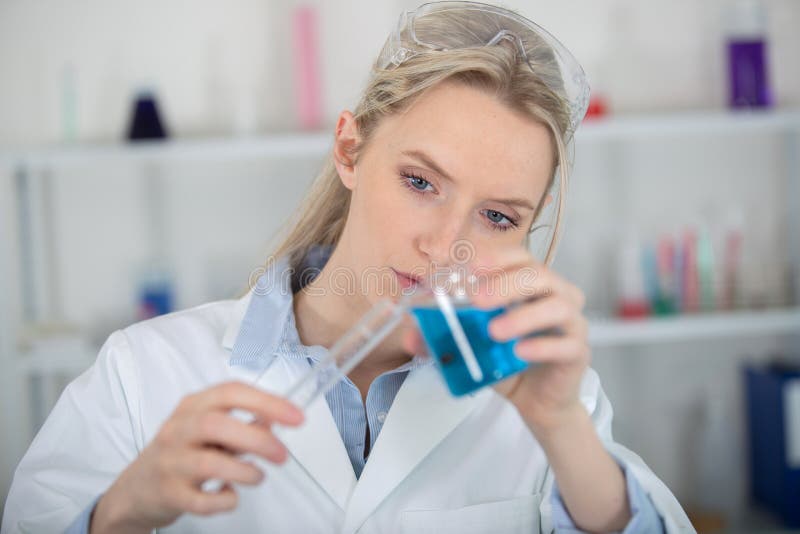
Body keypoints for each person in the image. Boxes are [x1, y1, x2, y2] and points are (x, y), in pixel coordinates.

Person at [2, 2, 695, 533]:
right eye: (421, 182)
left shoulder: (550, 408)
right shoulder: (143, 374)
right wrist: (122, 509)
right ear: (349, 149)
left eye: (498, 217)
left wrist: (561, 427)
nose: (444, 244)